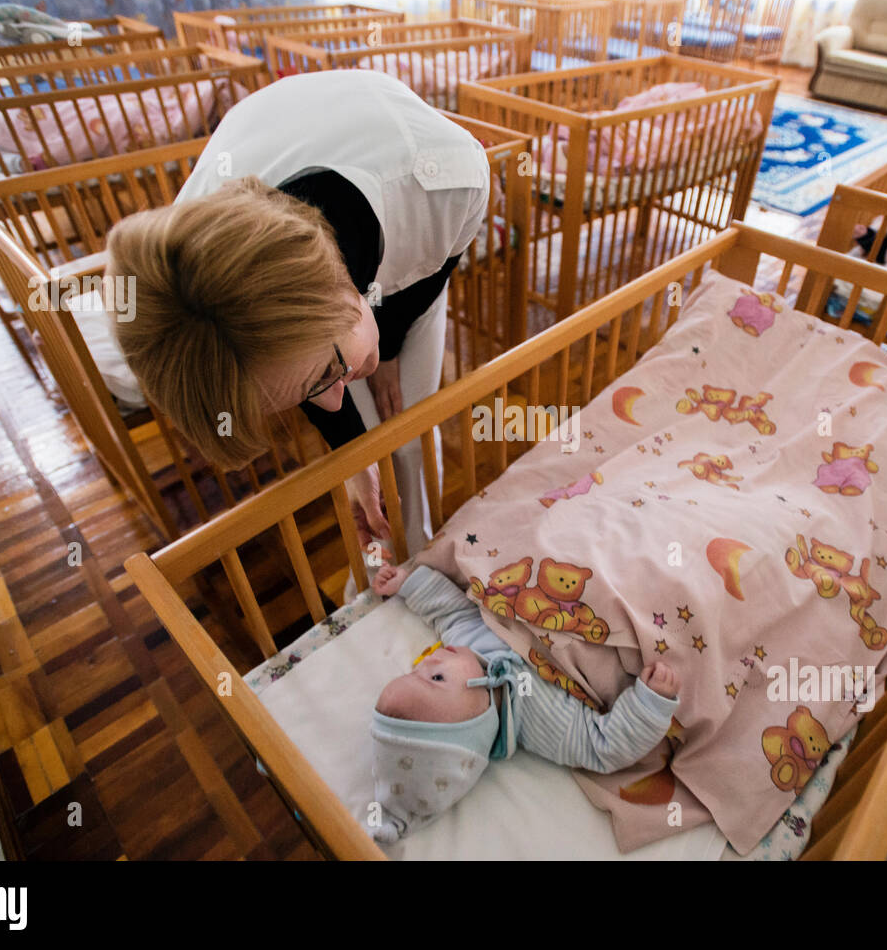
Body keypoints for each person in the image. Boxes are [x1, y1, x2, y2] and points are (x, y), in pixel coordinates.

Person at [105, 70, 490, 557]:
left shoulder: (450, 183)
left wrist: (388, 348)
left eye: (325, 372)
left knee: (409, 424)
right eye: (306, 390)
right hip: (322, 294)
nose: (333, 399)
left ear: (337, 289)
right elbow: (288, 367)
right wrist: (350, 454)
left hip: (412, 201)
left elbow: (436, 270)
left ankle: (422, 544)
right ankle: (390, 560)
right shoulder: (194, 284)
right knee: (361, 432)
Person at [366, 562, 681, 843]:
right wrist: (650, 703)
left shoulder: (466, 645)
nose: (431, 659)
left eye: (417, 670)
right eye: (436, 679)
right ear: (473, 723)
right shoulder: (540, 723)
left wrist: (409, 583)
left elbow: (449, 611)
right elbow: (603, 746)